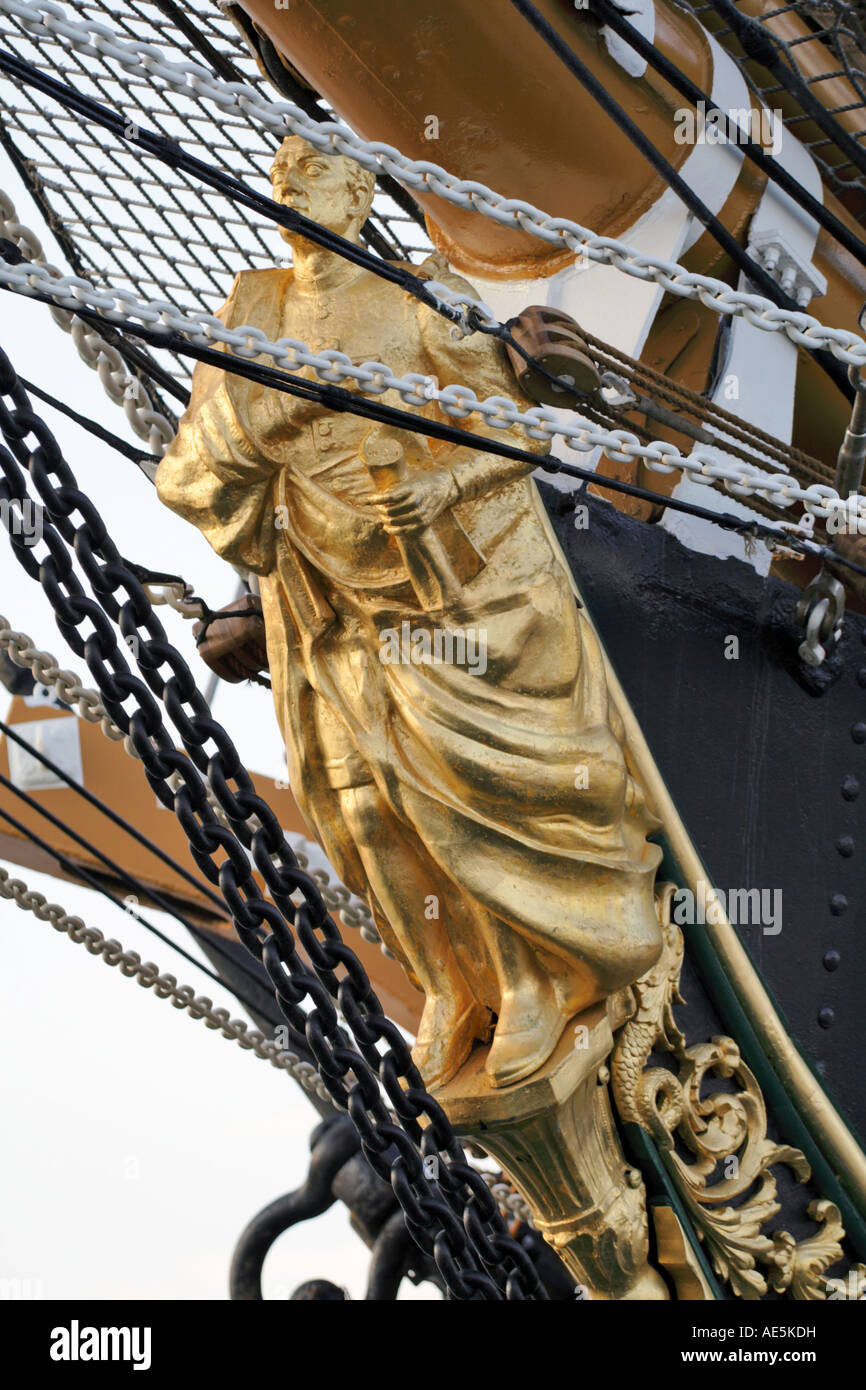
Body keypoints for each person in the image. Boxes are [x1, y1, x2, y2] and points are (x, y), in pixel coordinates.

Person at [156, 135, 663, 1089]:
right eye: (282, 175)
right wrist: (264, 447)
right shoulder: (255, 309)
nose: (292, 185)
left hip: (436, 585)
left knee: (456, 793)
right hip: (324, 597)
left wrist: (441, 492)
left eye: (316, 171)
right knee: (363, 809)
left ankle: (531, 981)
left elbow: (517, 429)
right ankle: (450, 985)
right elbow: (200, 461)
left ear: (360, 192)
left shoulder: (416, 300)